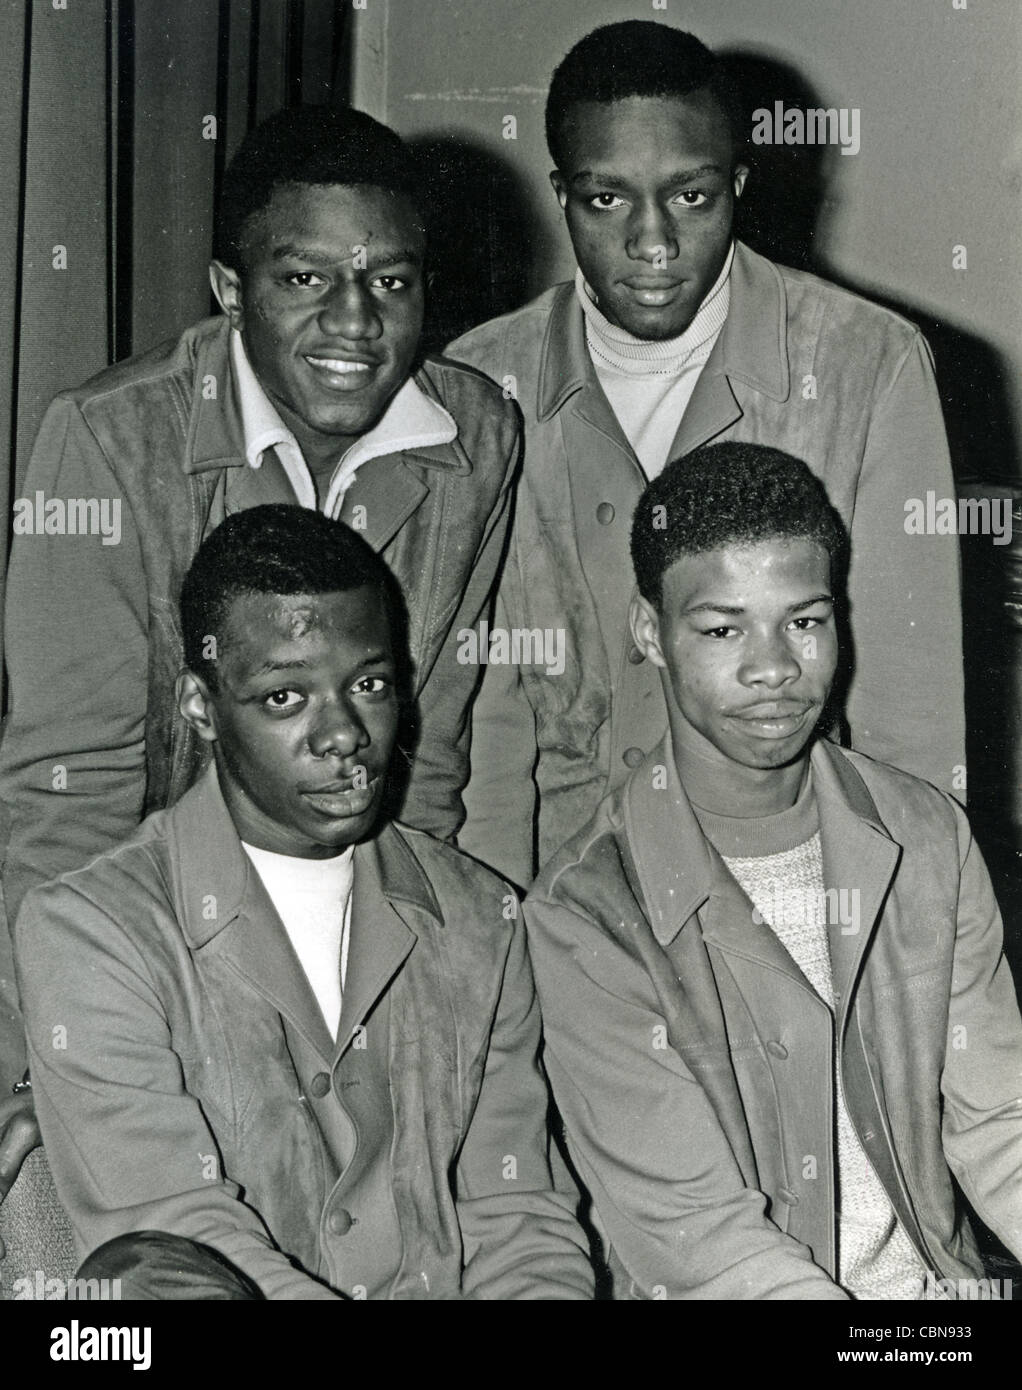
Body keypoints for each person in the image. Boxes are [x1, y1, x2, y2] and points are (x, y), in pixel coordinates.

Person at [0, 104, 518, 1110]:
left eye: (390, 281)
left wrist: (431, 1005)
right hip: (153, 939)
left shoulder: (477, 438)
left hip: (355, 925)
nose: (354, 321)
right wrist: (45, 1063)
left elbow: (432, 759)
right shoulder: (108, 442)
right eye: (303, 279)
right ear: (230, 291)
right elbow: (64, 798)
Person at [13, 505, 593, 1300]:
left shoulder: (481, 918)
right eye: (285, 697)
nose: (344, 734)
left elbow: (521, 1213)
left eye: (369, 684)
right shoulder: (91, 929)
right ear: (199, 706)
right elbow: (181, 1229)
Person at [450, 20, 964, 888]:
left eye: (691, 197)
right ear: (561, 193)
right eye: (606, 199)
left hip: (792, 905)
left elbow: (910, 741)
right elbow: (477, 732)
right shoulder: (476, 382)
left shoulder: (867, 365)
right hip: (557, 918)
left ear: (738, 184)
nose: (653, 245)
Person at [523, 443, 1022, 1300]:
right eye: (722, 629)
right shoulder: (587, 910)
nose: (775, 668)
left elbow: (1001, 1121)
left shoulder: (924, 835)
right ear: (652, 634)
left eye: (804, 620)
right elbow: (707, 1245)